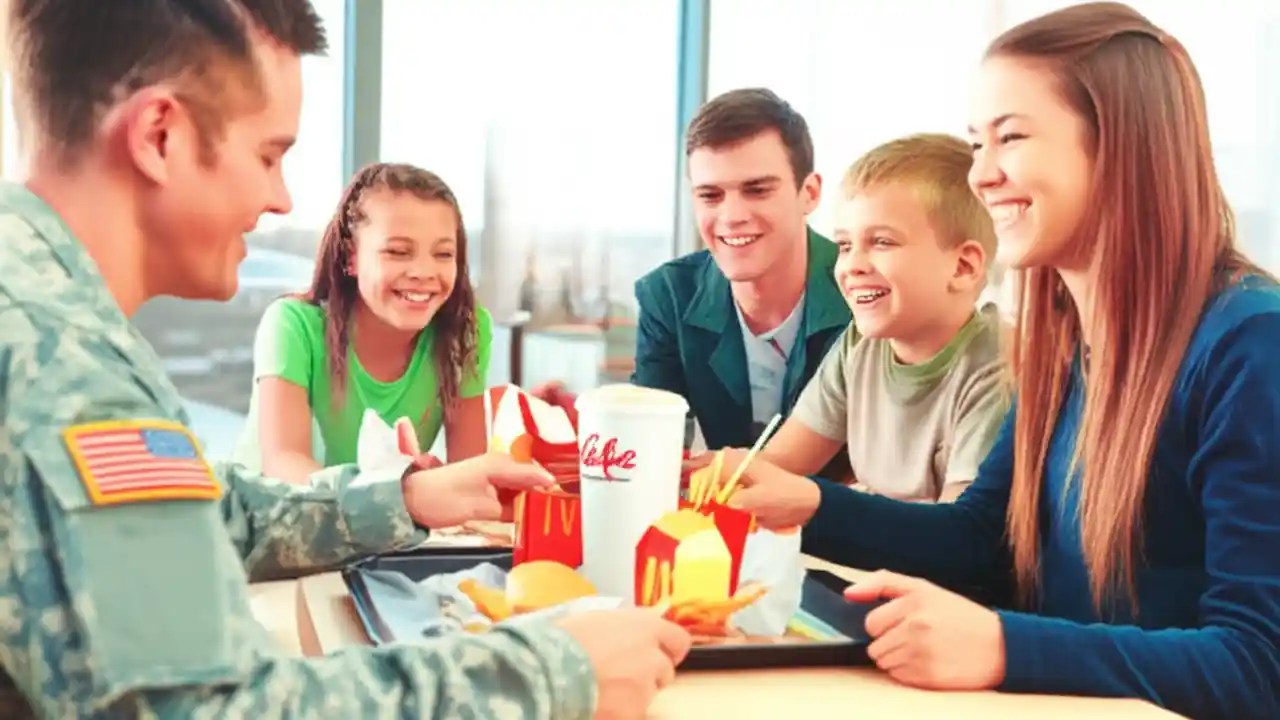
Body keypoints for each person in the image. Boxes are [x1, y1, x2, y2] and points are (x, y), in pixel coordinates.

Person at [0, 2, 688, 718]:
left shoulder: (44, 306)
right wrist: (554, 674)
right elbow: (206, 709)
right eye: (269, 155)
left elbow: (212, 512)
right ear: (160, 135)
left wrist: (408, 497)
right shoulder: (65, 365)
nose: (280, 197)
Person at [725, 4, 1280, 718]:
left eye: (1009, 138)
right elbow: (982, 540)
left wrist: (1001, 645)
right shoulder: (1064, 341)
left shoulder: (1250, 346)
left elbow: (1259, 664)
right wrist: (804, 503)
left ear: (1122, 147)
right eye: (975, 144)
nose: (981, 176)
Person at [748, 133, 1007, 504]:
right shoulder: (859, 345)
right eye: (845, 245)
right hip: (876, 557)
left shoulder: (993, 370)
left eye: (882, 242)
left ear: (963, 266)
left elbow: (957, 540)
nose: (851, 265)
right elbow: (777, 465)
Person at [233, 163, 490, 483]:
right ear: (350, 257)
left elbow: (468, 477)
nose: (424, 272)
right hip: (271, 524)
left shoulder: (463, 331)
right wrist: (401, 496)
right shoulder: (293, 325)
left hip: (382, 530)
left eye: (443, 254)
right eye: (398, 251)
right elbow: (285, 464)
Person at [632, 88, 851, 456]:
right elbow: (649, 449)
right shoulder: (669, 295)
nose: (731, 216)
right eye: (710, 196)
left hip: (843, 510)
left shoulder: (861, 288)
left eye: (757, 190)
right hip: (725, 509)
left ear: (809, 193)